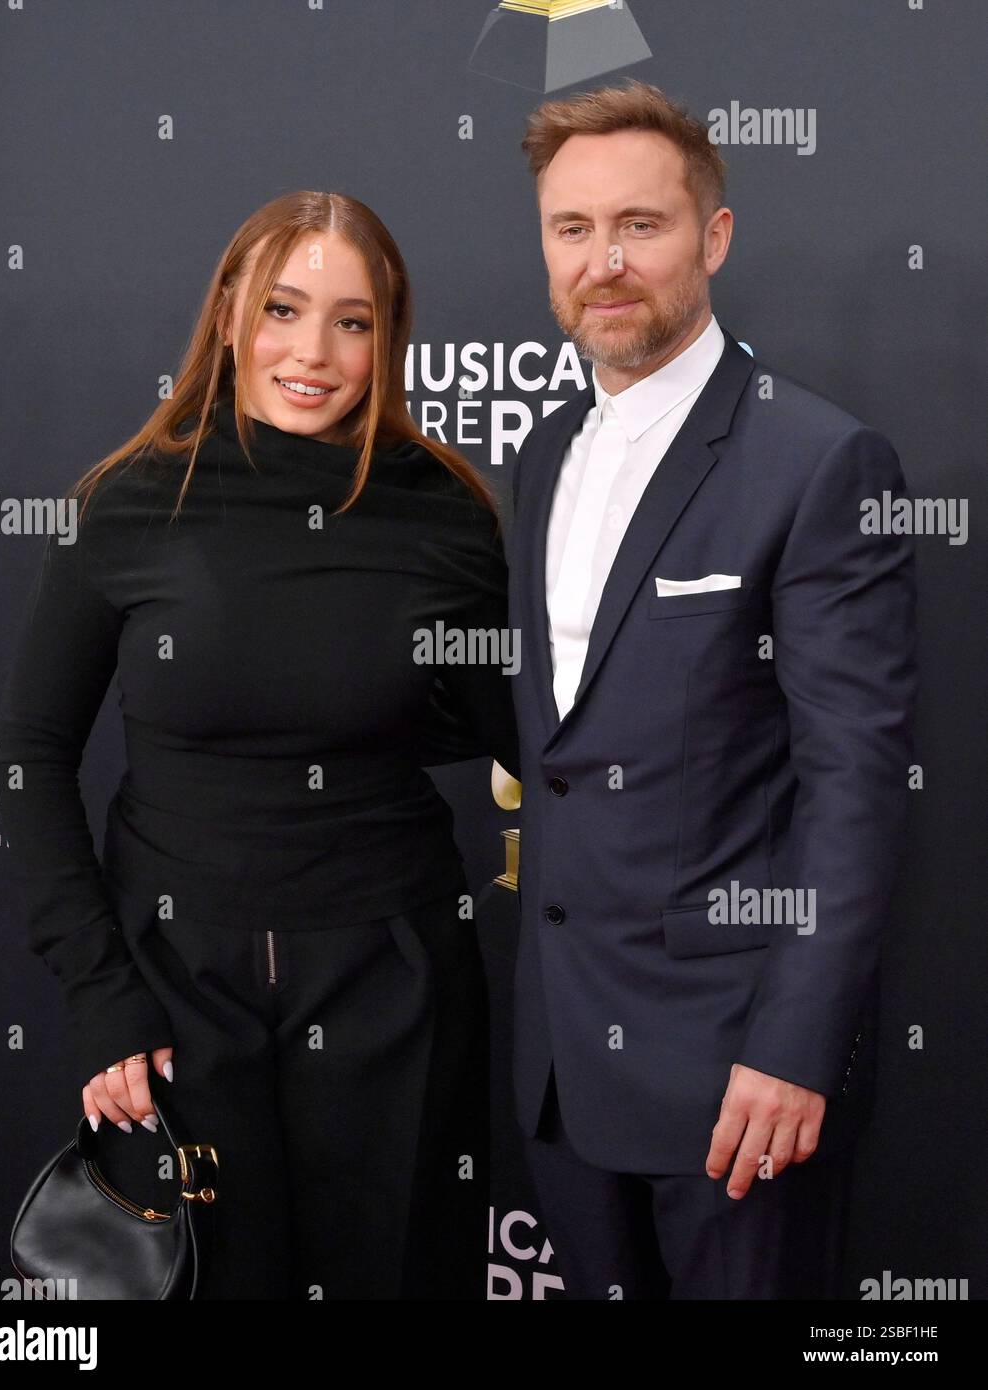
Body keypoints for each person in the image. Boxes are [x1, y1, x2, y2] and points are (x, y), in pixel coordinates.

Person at [0, 190, 520, 1300]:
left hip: (398, 982)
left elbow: (509, 726)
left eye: (353, 320)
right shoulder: (130, 502)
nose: (313, 352)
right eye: (284, 307)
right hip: (175, 984)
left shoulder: (446, 513)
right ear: (231, 310)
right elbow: (32, 754)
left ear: (390, 336)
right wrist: (102, 993)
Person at [506, 80, 917, 1299]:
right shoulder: (540, 457)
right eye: (571, 230)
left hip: (737, 1073)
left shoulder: (819, 458)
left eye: (641, 223)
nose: (605, 261)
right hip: (563, 1063)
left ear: (714, 237)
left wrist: (792, 1048)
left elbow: (854, 785)